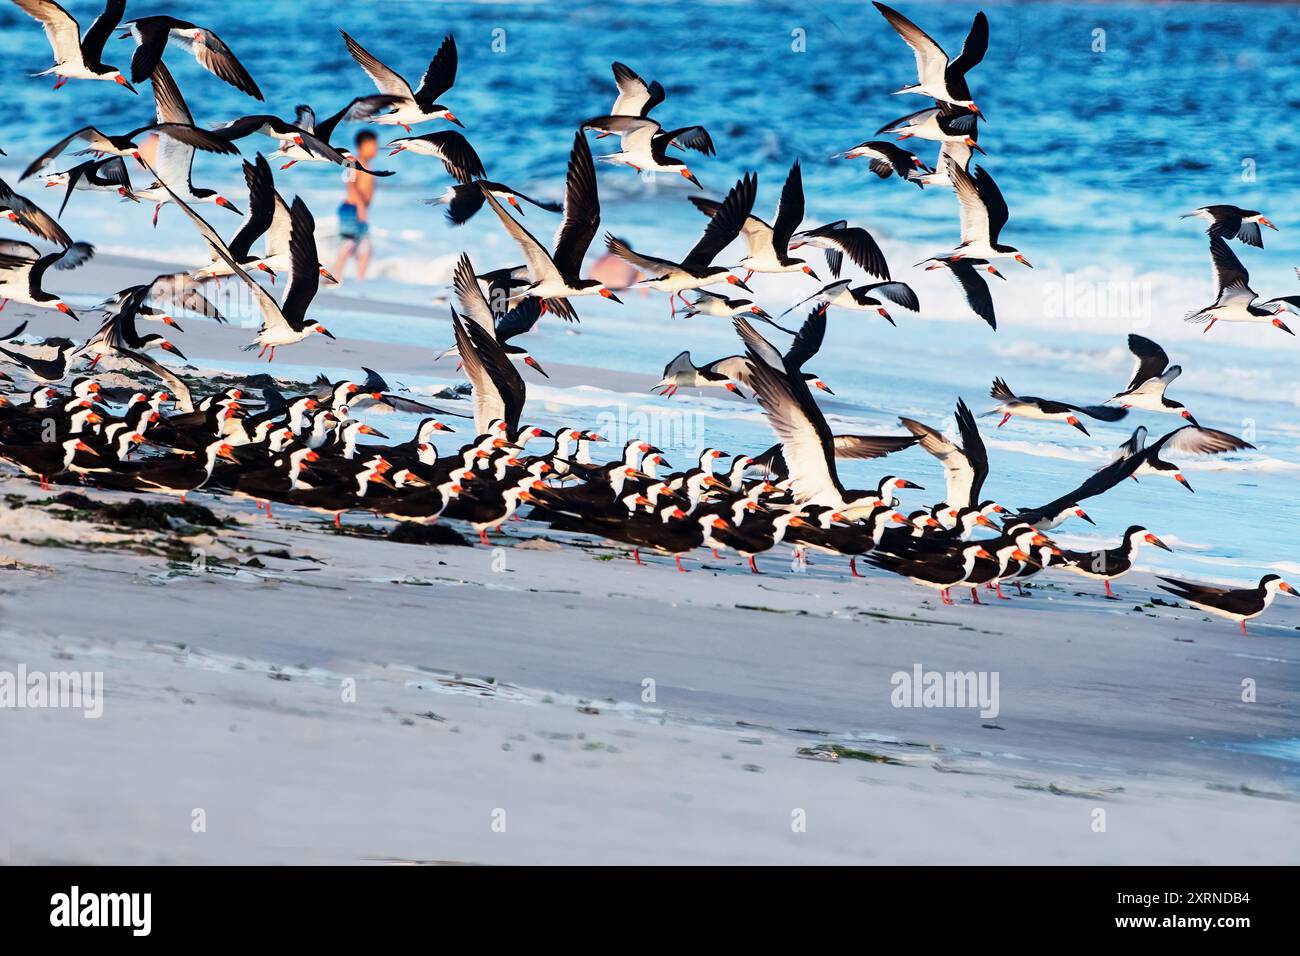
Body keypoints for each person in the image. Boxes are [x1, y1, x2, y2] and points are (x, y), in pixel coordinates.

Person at [332, 130, 380, 283]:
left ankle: (360, 279)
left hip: (358, 210)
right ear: (362, 146)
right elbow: (350, 185)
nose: (375, 150)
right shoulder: (356, 163)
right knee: (349, 244)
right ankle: (336, 275)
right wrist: (360, 206)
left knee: (365, 247)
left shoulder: (367, 164)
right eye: (372, 146)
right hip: (352, 209)